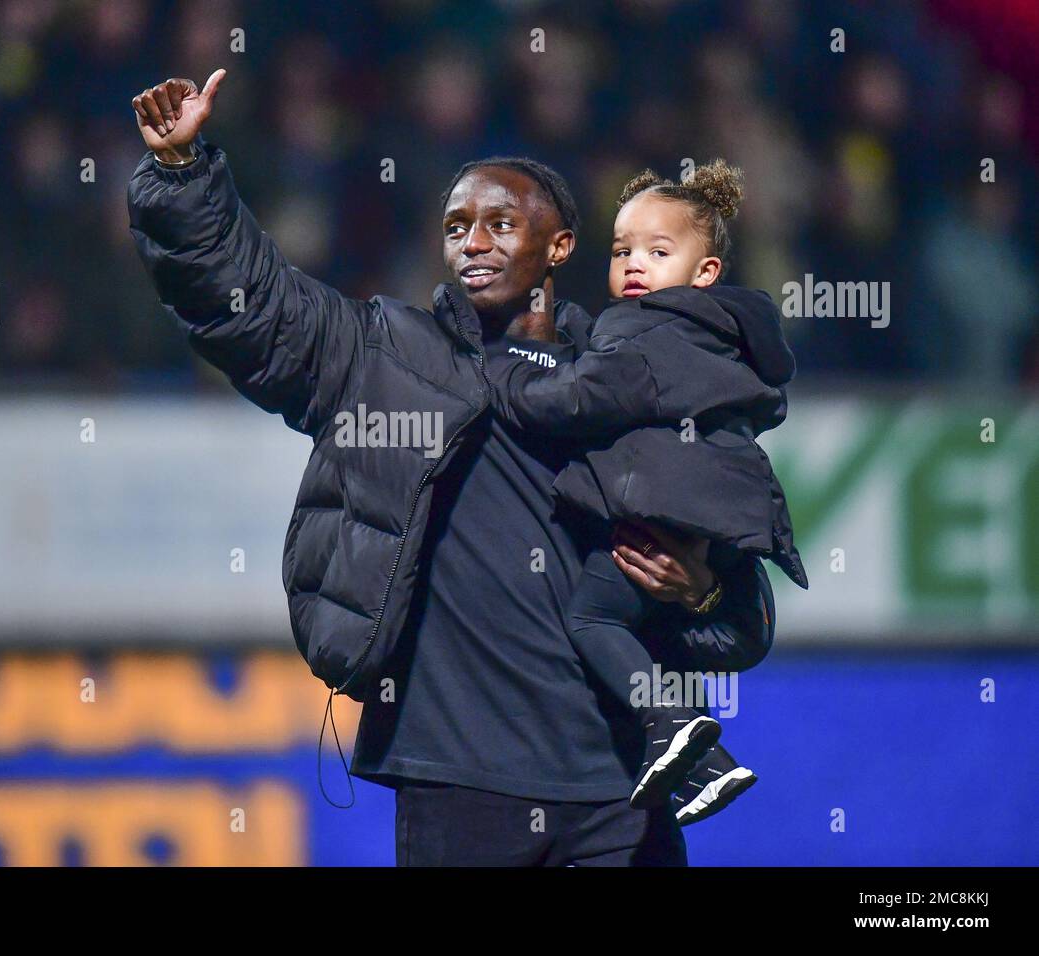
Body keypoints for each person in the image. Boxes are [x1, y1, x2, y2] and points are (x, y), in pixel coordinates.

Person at [127, 71, 777, 865]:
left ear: (560, 245)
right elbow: (248, 306)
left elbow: (743, 608)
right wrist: (184, 176)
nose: (473, 241)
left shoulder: (633, 380)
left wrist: (704, 592)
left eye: (501, 223)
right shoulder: (385, 357)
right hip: (458, 785)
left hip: (620, 788)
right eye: (457, 225)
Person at [484, 161, 808, 825]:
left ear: (705, 272)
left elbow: (579, 398)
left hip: (663, 508)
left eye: (658, 252)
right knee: (638, 620)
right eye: (623, 250)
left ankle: (672, 724)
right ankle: (706, 764)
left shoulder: (642, 329)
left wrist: (506, 387)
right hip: (711, 514)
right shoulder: (718, 336)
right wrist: (705, 587)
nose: (634, 265)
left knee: (594, 619)